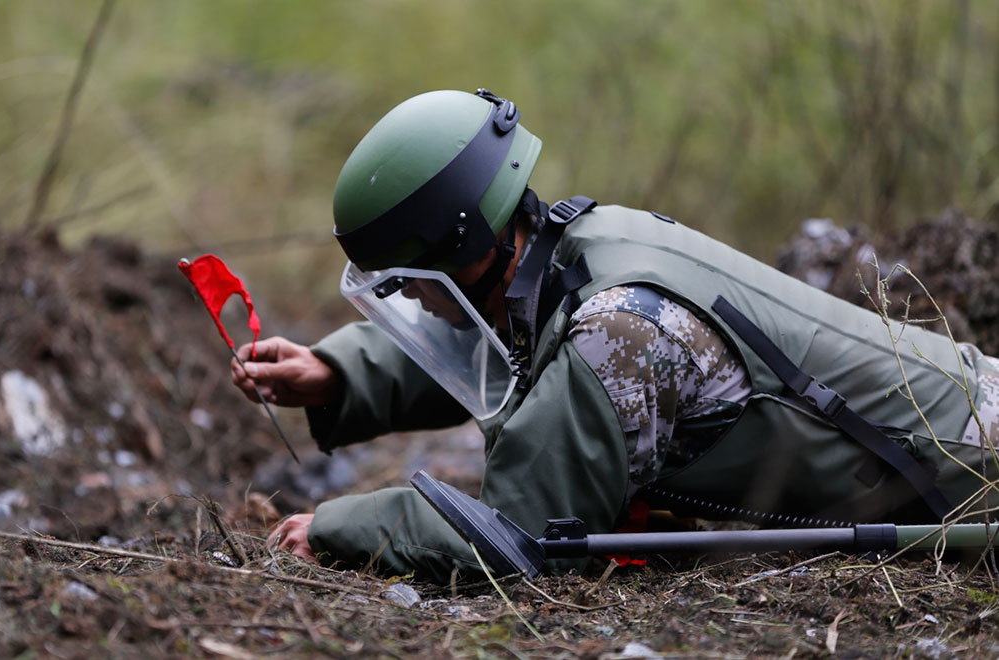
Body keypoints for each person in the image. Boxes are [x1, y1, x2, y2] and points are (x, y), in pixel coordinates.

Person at [232, 89, 999, 582]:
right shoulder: (583, 242)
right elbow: (510, 344)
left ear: (469, 249)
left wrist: (339, 526)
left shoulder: (619, 331)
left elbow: (515, 533)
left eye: (413, 285)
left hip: (972, 484)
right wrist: (339, 373)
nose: (415, 305)